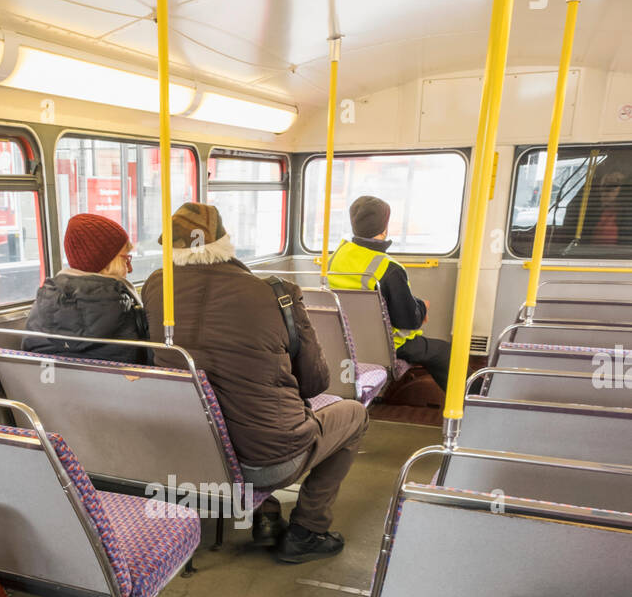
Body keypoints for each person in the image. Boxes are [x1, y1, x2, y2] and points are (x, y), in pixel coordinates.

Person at [142, 203, 368, 564]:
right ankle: (309, 529)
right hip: (266, 461)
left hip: (191, 451)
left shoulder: (155, 287)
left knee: (230, 408)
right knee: (354, 415)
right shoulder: (277, 294)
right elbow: (315, 382)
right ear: (226, 242)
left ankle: (267, 513)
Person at [328, 196, 451, 394]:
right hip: (389, 344)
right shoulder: (389, 268)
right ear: (384, 228)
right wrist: (422, 308)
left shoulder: (336, 257)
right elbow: (407, 321)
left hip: (345, 337)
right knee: (446, 352)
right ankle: (474, 405)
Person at [23, 213, 149, 363]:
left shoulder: (41, 304)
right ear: (107, 263)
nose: (129, 269)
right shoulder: (122, 306)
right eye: (126, 259)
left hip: (50, 384)